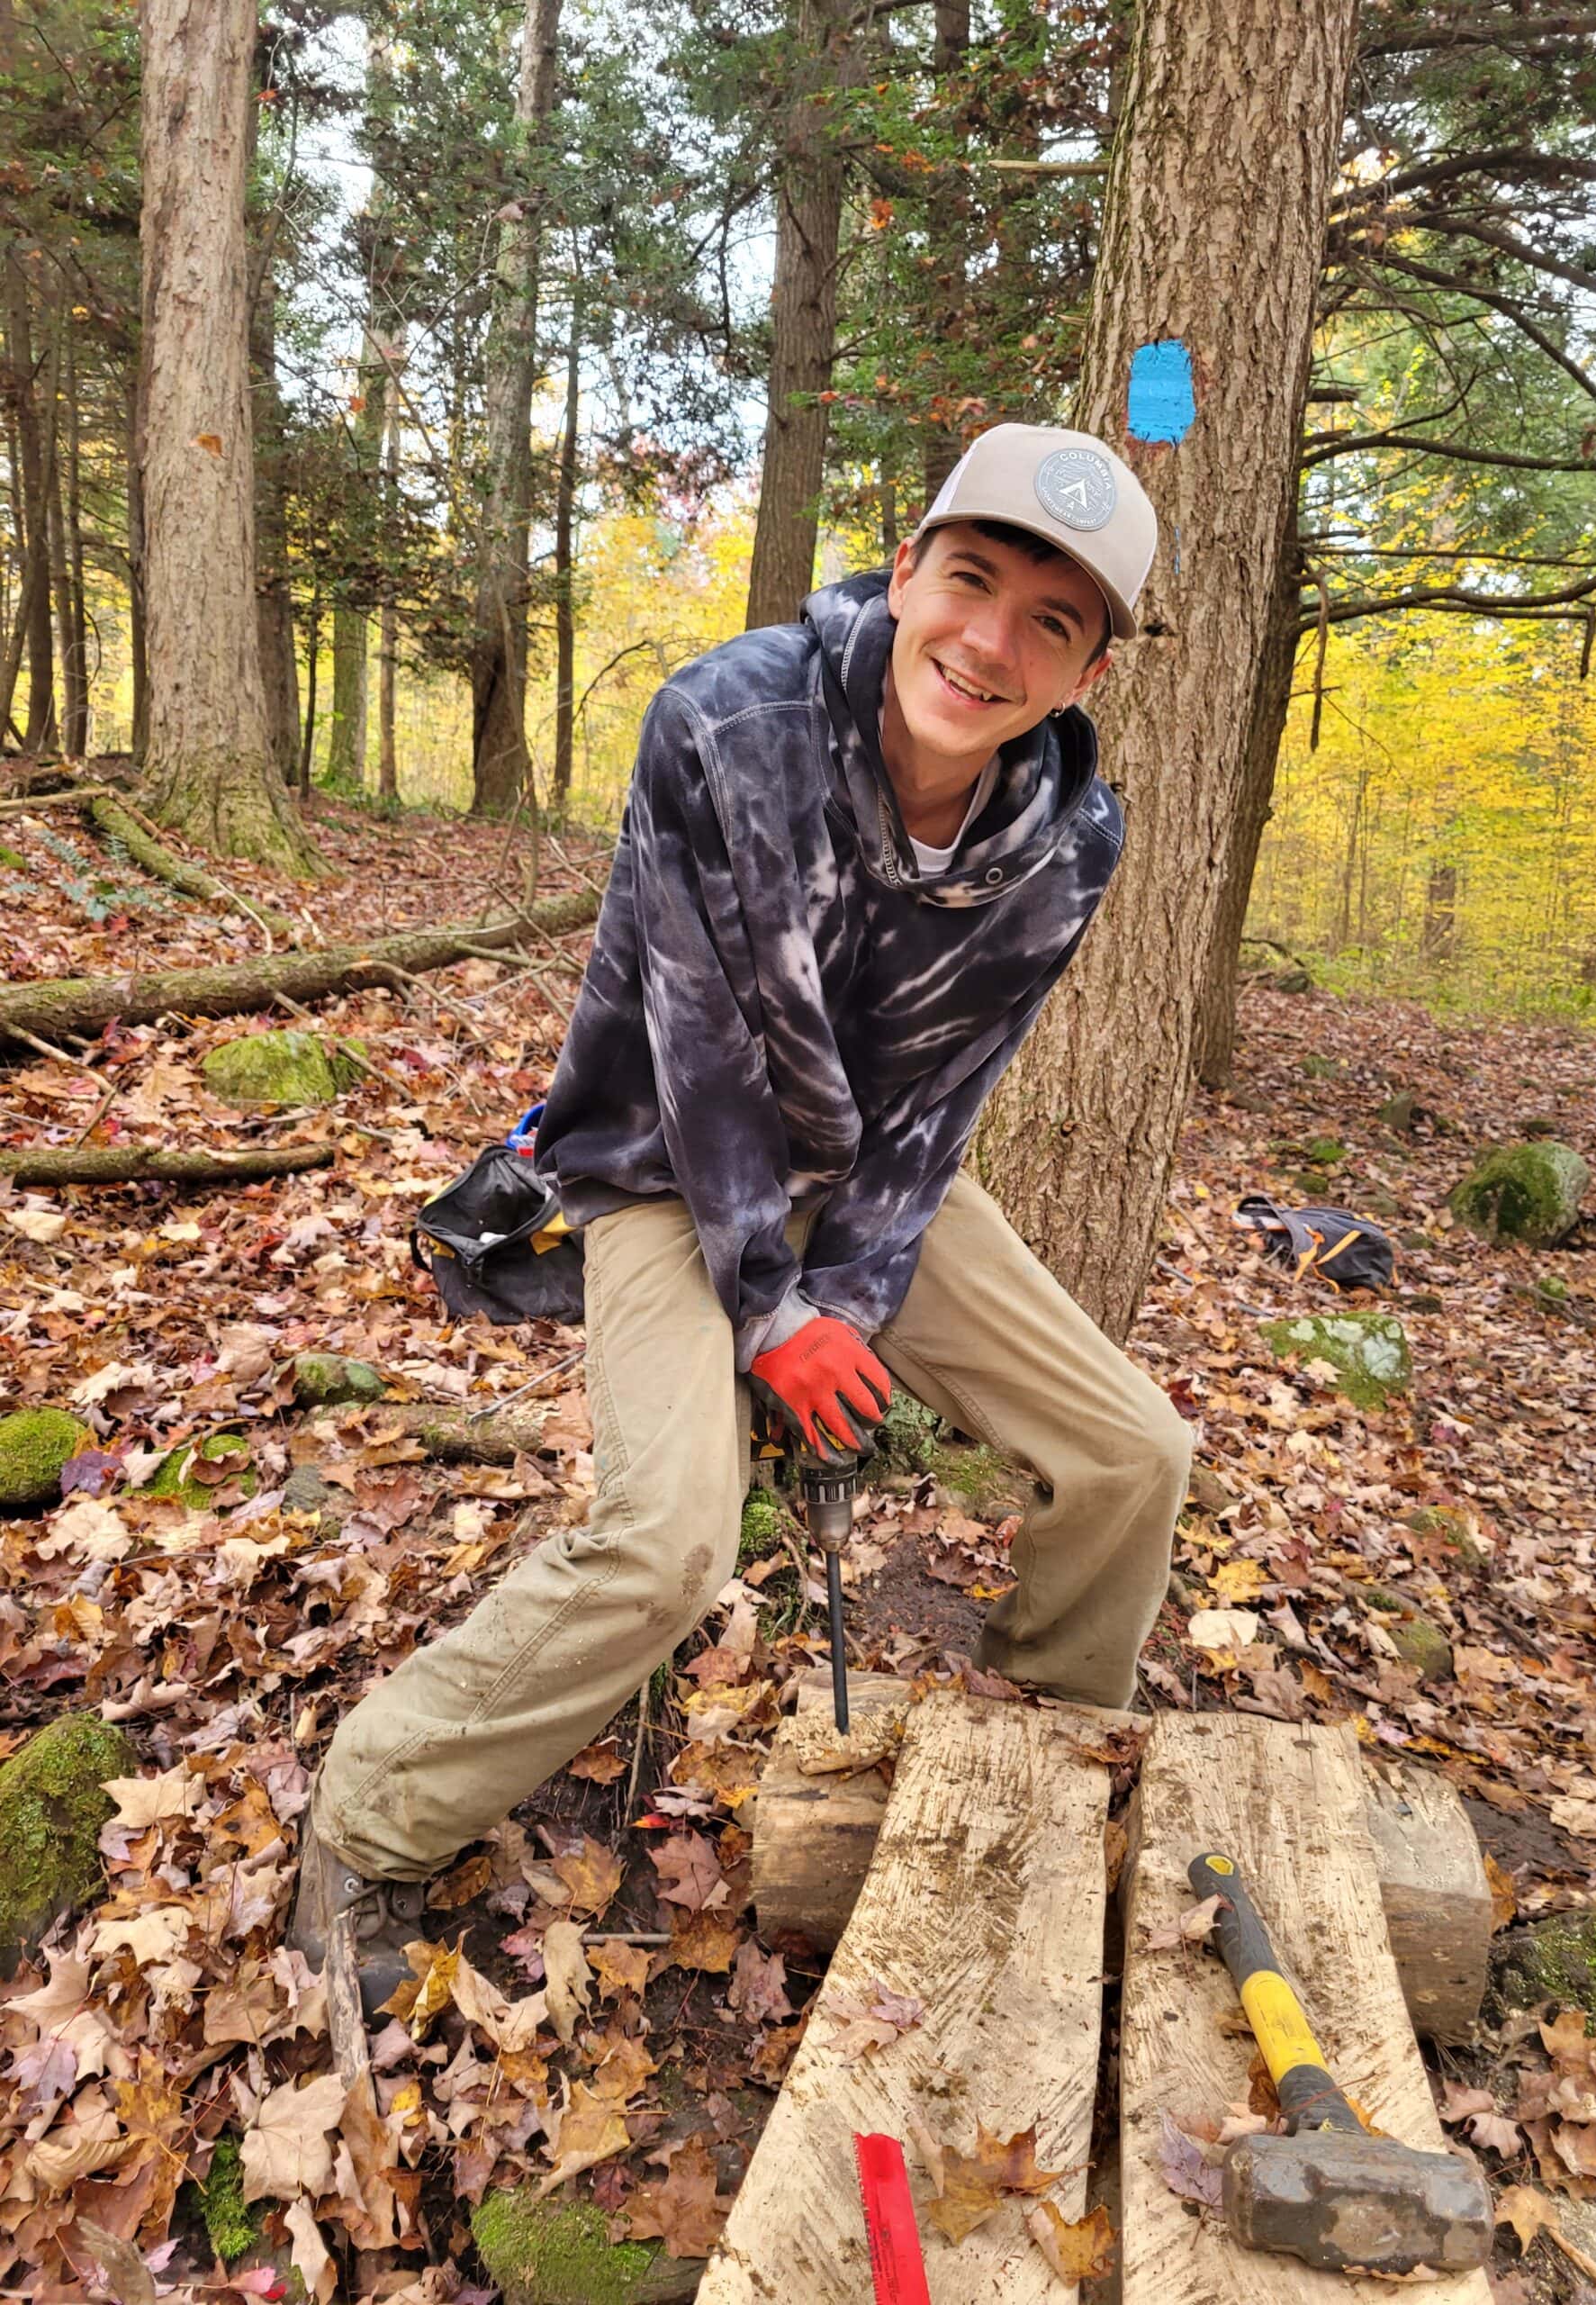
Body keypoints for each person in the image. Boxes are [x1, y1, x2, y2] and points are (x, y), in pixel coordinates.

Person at [289, 421, 1194, 2009]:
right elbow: (694, 1042)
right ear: (907, 571)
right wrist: (773, 1313)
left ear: (1089, 670)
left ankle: (1039, 1753)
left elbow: (948, 1090)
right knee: (668, 1545)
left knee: (1135, 1454)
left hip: (870, 1180)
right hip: (654, 1159)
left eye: (1050, 622)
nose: (988, 643)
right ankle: (371, 1819)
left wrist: (852, 1280)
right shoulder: (729, 721)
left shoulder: (1070, 840)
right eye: (971, 583)